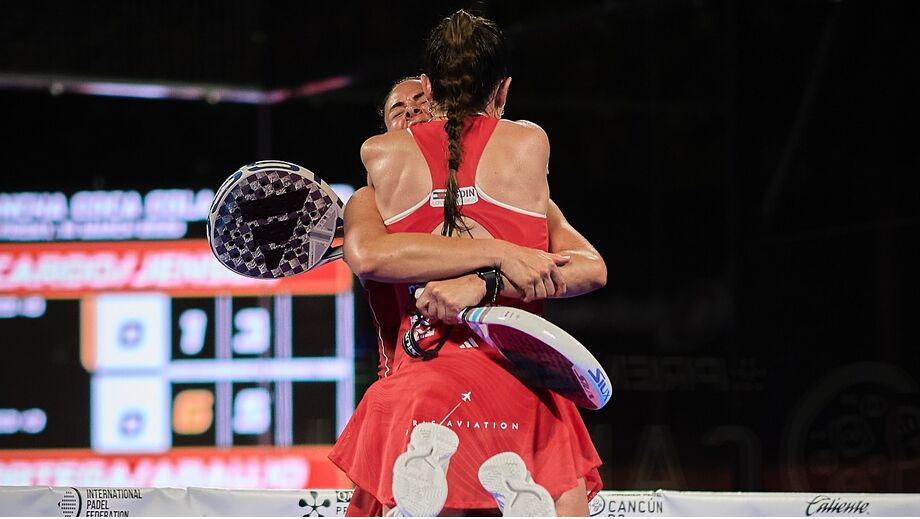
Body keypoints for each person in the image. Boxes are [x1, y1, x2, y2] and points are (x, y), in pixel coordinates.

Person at [329, 11, 605, 516]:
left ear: (432, 93)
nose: (412, 114)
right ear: (502, 91)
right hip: (522, 389)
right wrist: (503, 255)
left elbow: (590, 267)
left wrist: (482, 280)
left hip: (420, 389)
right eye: (399, 109)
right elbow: (369, 256)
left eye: (418, 102)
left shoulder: (381, 167)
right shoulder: (528, 148)